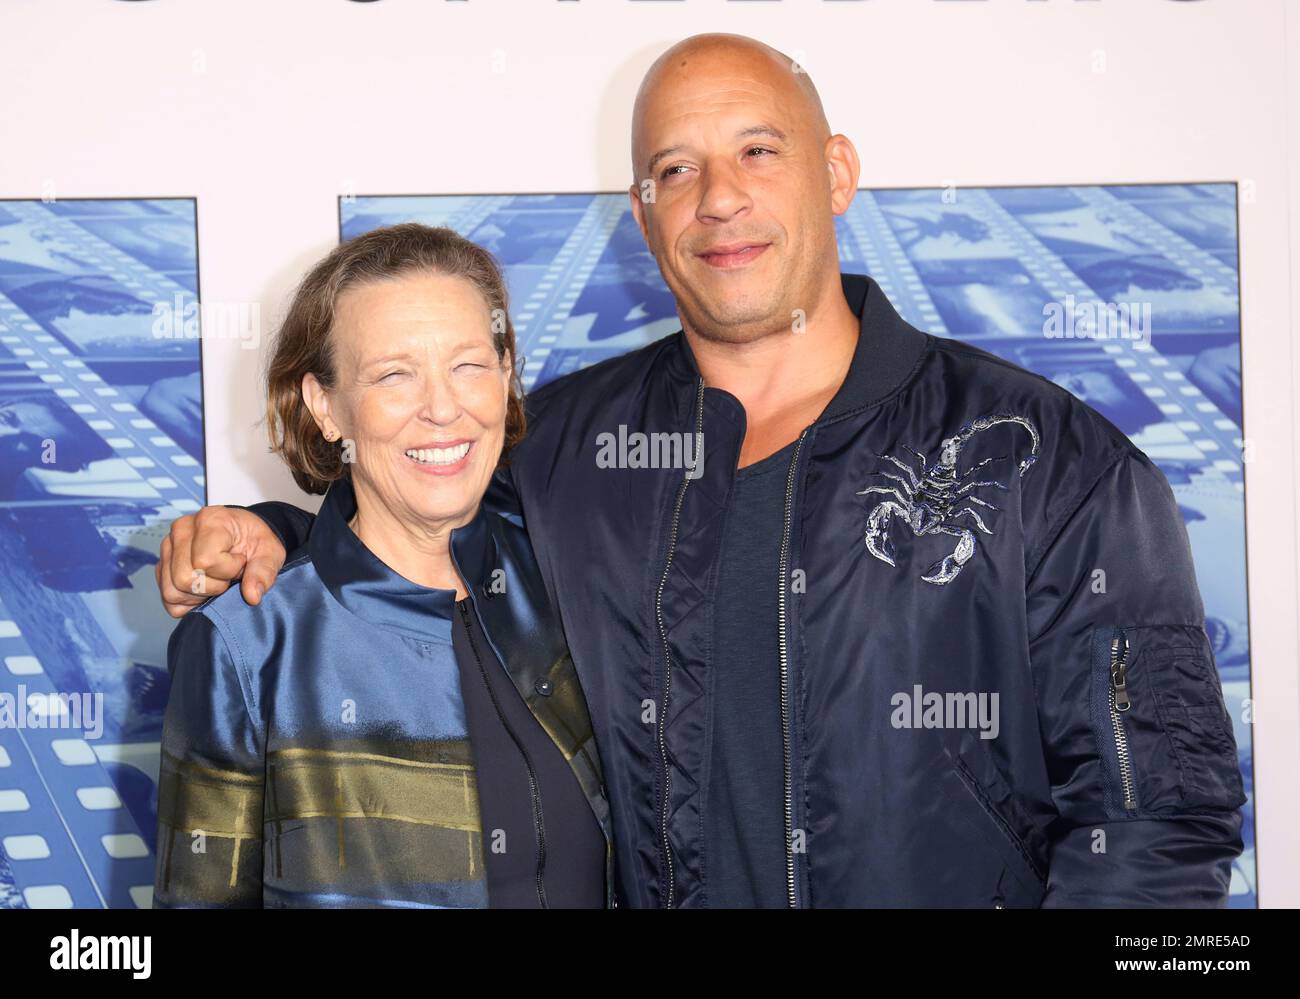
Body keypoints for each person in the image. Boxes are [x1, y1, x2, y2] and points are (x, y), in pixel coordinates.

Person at [156, 34, 1246, 908]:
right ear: (643, 214)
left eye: (758, 152)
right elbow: (413, 518)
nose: (717, 197)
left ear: (837, 174)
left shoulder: (1050, 461)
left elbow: (1162, 819)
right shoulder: (571, 447)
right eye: (674, 169)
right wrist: (273, 536)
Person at [153, 224, 612, 908]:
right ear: (326, 406)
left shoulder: (574, 577)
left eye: (468, 365)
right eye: (394, 374)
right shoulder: (249, 646)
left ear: (506, 374)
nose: (441, 407)